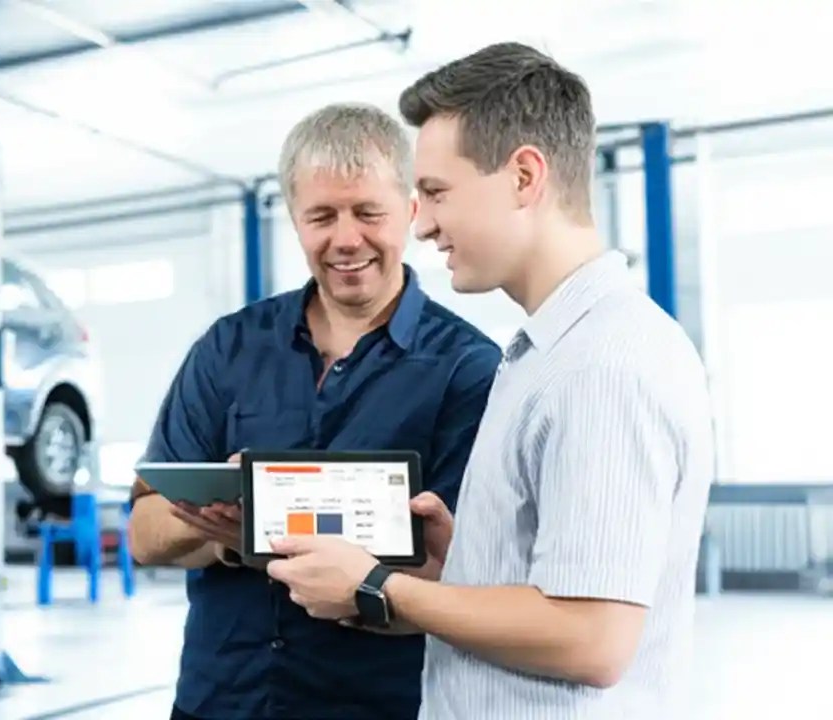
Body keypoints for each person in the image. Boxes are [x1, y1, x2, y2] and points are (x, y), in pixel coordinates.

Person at [265, 42, 716, 719]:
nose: (423, 225)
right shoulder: (544, 353)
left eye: (438, 192)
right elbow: (560, 595)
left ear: (524, 177)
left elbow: (593, 639)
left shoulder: (602, 365)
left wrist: (377, 585)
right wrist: (464, 569)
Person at [127, 102, 502, 720]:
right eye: (321, 216)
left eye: (368, 213)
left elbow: (465, 578)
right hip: (219, 702)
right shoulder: (228, 348)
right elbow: (143, 532)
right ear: (296, 222)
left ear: (409, 211)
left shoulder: (467, 370)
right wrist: (223, 531)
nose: (346, 238)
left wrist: (280, 543)